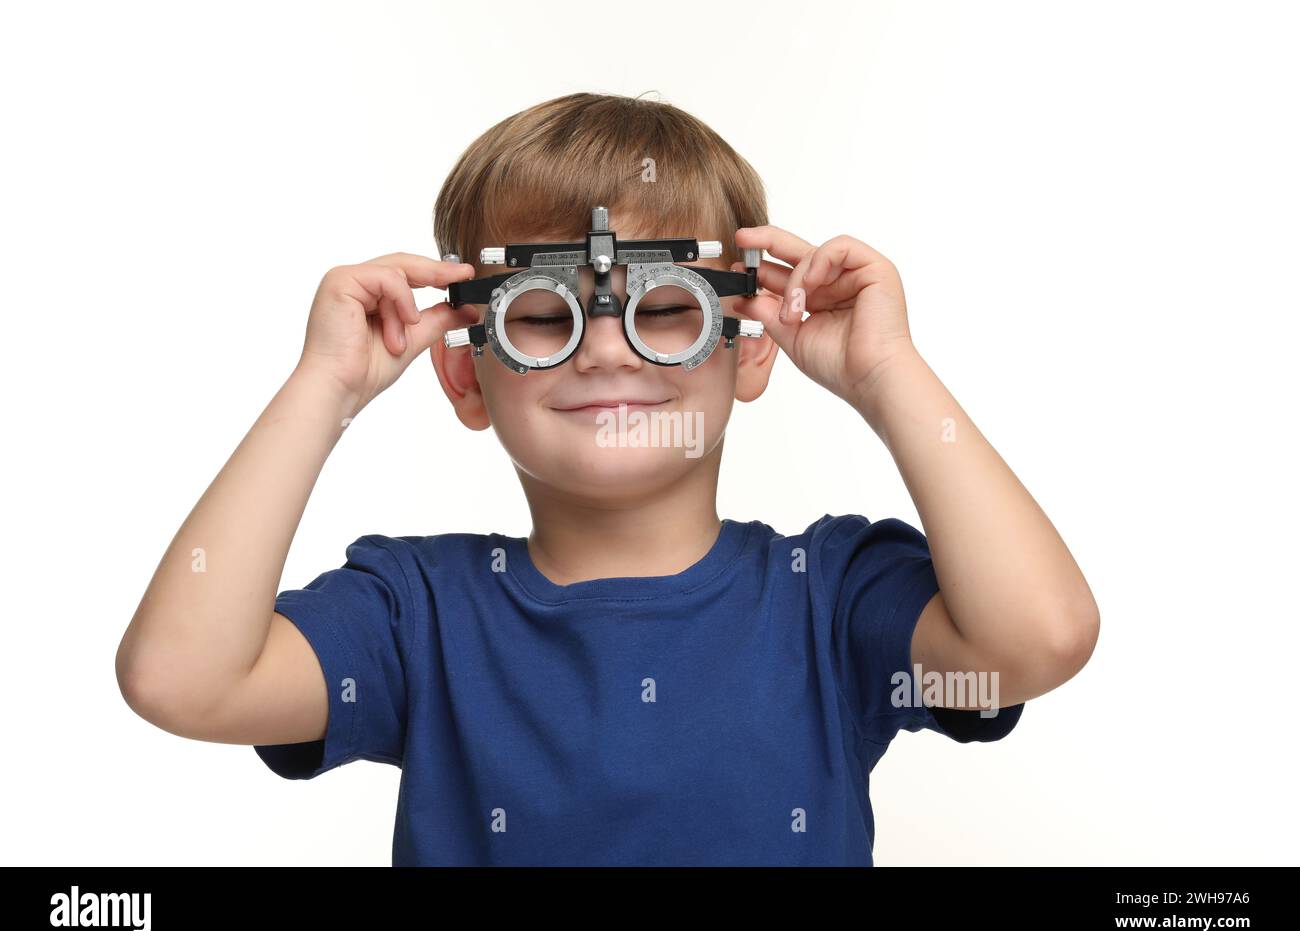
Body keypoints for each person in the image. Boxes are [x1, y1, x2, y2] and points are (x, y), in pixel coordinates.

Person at [115, 92, 1099, 865]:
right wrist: (320, 388)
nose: (603, 351)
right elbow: (181, 679)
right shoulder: (416, 614)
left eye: (663, 307)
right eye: (541, 317)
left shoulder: (830, 598)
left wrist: (890, 376)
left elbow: (1038, 636)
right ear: (465, 371)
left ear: (746, 350)